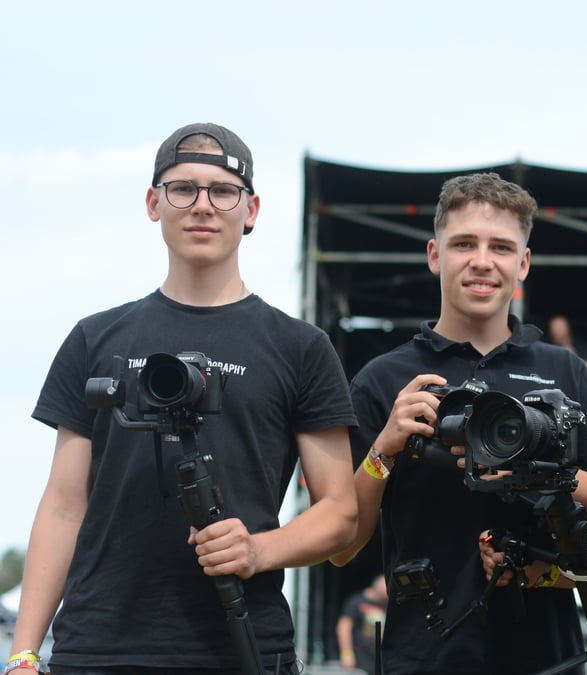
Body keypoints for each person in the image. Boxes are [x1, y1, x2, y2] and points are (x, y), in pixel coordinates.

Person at [11, 123, 358, 675]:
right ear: (154, 202)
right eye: (183, 188)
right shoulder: (95, 337)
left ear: (252, 210)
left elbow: (340, 512)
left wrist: (258, 551)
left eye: (223, 191)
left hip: (243, 647)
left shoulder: (300, 347)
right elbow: (62, 504)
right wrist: (25, 653)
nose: (203, 206)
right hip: (96, 648)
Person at [329, 172, 587, 674]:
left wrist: (535, 472)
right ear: (435, 255)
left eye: (500, 247)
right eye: (464, 244)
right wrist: (384, 448)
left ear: (522, 265)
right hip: (421, 658)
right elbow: (342, 550)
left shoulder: (563, 371)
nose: (481, 261)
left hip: (549, 658)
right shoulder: (383, 379)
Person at [336, 575, 389, 672]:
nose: (386, 599)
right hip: (361, 657)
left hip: (381, 657)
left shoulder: (386, 604)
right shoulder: (356, 602)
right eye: (384, 595)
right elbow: (344, 627)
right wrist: (347, 654)